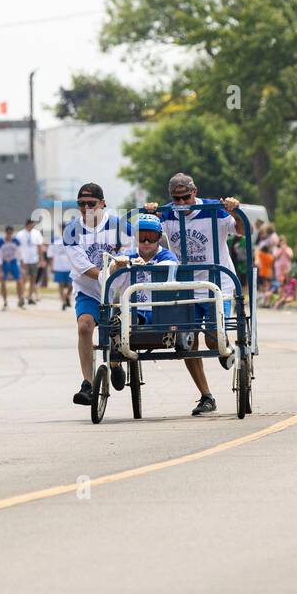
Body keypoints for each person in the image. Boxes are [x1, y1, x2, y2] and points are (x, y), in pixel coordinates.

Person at [144, 173, 244, 416]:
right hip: (185, 284)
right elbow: (145, 236)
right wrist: (149, 214)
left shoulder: (214, 210)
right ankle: (206, 395)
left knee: (212, 340)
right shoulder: (167, 213)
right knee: (186, 341)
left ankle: (225, 346)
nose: (180, 204)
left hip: (217, 282)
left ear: (194, 192)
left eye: (185, 198)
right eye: (175, 199)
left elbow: (240, 230)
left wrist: (234, 210)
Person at [64, 183, 133, 406]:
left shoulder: (120, 226)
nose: (86, 208)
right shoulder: (71, 231)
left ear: (102, 203)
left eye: (91, 204)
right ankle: (87, 383)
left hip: (119, 291)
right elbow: (83, 267)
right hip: (89, 289)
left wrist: (122, 264)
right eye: (81, 204)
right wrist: (108, 272)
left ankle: (114, 363)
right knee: (84, 326)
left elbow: (132, 252)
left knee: (115, 330)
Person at [106, 214, 180, 322]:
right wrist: (117, 265)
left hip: (160, 308)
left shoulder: (167, 256)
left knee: (171, 319)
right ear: (135, 237)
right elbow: (112, 281)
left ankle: (169, 335)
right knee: (130, 318)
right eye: (142, 237)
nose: (146, 242)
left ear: (159, 237)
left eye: (151, 237)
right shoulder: (127, 255)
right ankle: (121, 327)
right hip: (132, 309)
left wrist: (144, 266)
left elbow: (170, 265)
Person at [15, 218, 45, 305]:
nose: (33, 226)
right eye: (32, 224)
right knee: (23, 279)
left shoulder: (36, 233)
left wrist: (41, 258)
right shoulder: (20, 234)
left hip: (34, 259)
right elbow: (17, 248)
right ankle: (22, 297)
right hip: (23, 260)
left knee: (33, 279)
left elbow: (39, 246)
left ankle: (30, 296)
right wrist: (19, 259)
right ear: (28, 224)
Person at [0, 225, 22, 309]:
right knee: (3, 281)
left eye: (11, 234)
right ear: (6, 233)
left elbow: (19, 254)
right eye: (8, 233)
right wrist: (0, 270)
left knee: (19, 280)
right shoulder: (0, 242)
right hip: (4, 262)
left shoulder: (16, 241)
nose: (9, 235)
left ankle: (20, 299)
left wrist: (21, 266)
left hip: (13, 261)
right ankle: (5, 301)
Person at [47, 224, 73, 310]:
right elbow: (50, 254)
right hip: (58, 266)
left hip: (69, 266)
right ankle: (64, 302)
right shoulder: (55, 240)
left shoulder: (71, 240)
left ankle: (67, 296)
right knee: (60, 285)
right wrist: (51, 266)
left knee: (71, 285)